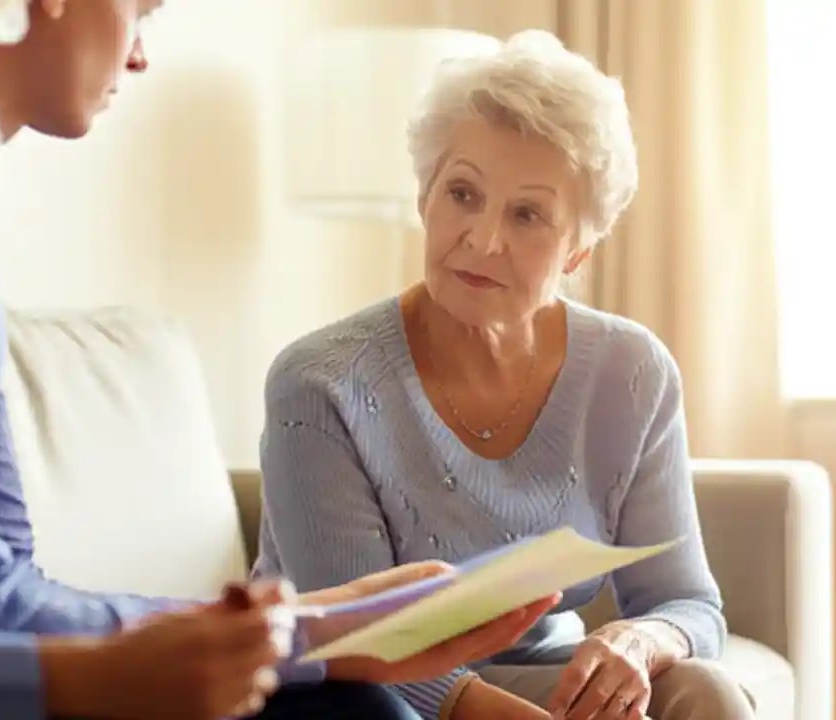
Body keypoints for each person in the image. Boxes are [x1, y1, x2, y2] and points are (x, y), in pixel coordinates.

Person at [0, 1, 556, 717]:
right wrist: (304, 636)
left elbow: (2, 583)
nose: (139, 52)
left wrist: (303, 627)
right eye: (142, 7)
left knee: (344, 703)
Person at [253, 29, 758, 720]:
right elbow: (361, 640)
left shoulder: (631, 373)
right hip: (362, 692)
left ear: (578, 251)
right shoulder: (319, 383)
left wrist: (640, 641)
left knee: (707, 692)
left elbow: (688, 602)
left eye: (528, 214)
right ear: (426, 197)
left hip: (538, 678)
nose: (484, 240)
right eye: (463, 193)